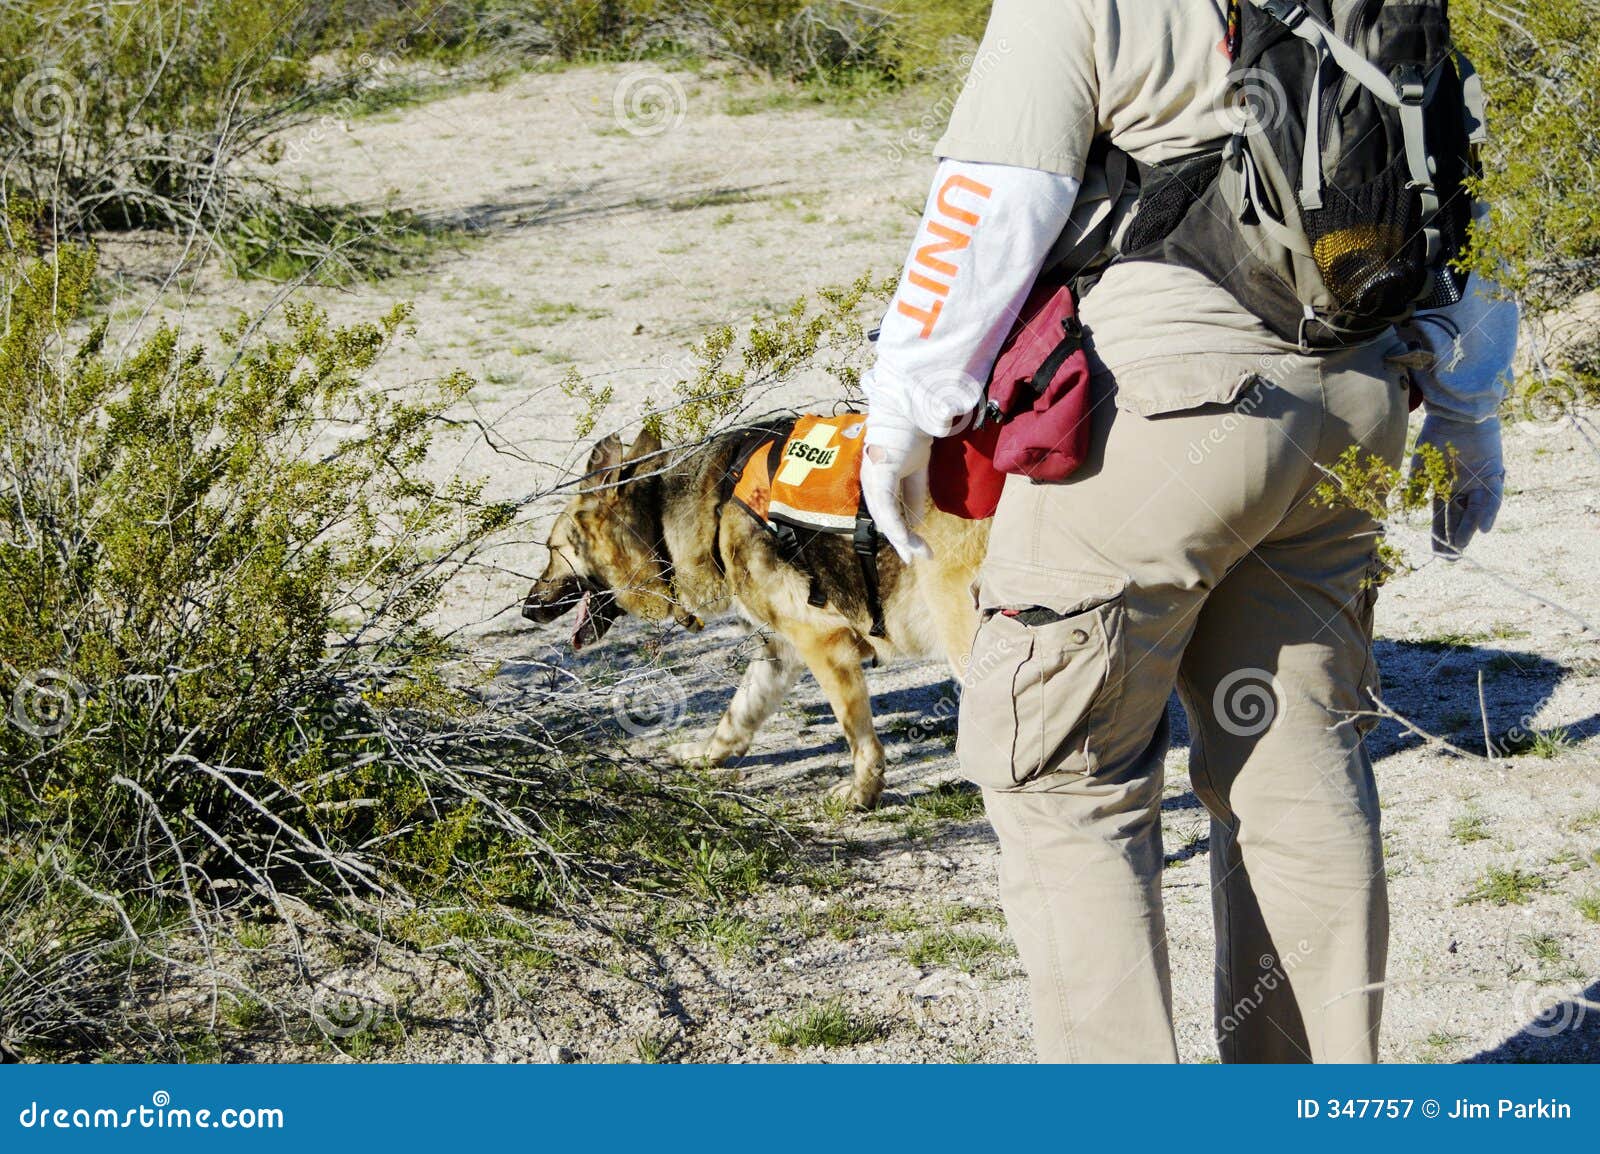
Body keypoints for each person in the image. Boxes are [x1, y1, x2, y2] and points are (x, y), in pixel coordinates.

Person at [859, 0, 1516, 1062]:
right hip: (1353, 402)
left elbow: (990, 201)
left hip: (1165, 408)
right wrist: (1470, 409)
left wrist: (902, 403)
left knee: (1063, 774)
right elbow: (1451, 190)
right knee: (1297, 759)